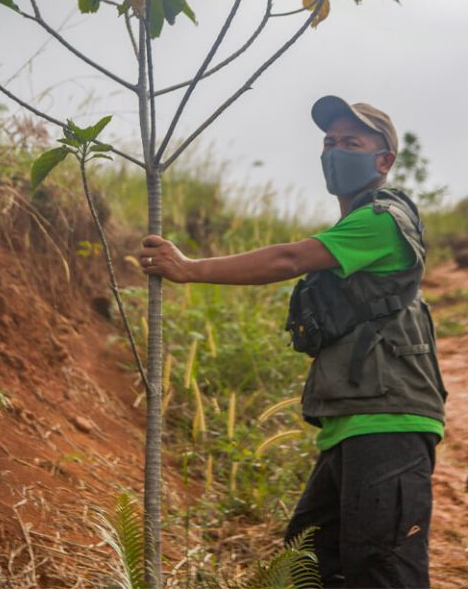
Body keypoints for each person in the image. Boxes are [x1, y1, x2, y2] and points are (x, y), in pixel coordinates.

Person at [140, 95, 447, 589]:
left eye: (352, 142)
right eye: (329, 142)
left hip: (389, 419)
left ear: (384, 160)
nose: (335, 151)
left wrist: (190, 269)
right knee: (309, 560)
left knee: (381, 568)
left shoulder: (381, 222)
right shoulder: (355, 226)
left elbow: (286, 259)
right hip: (352, 422)